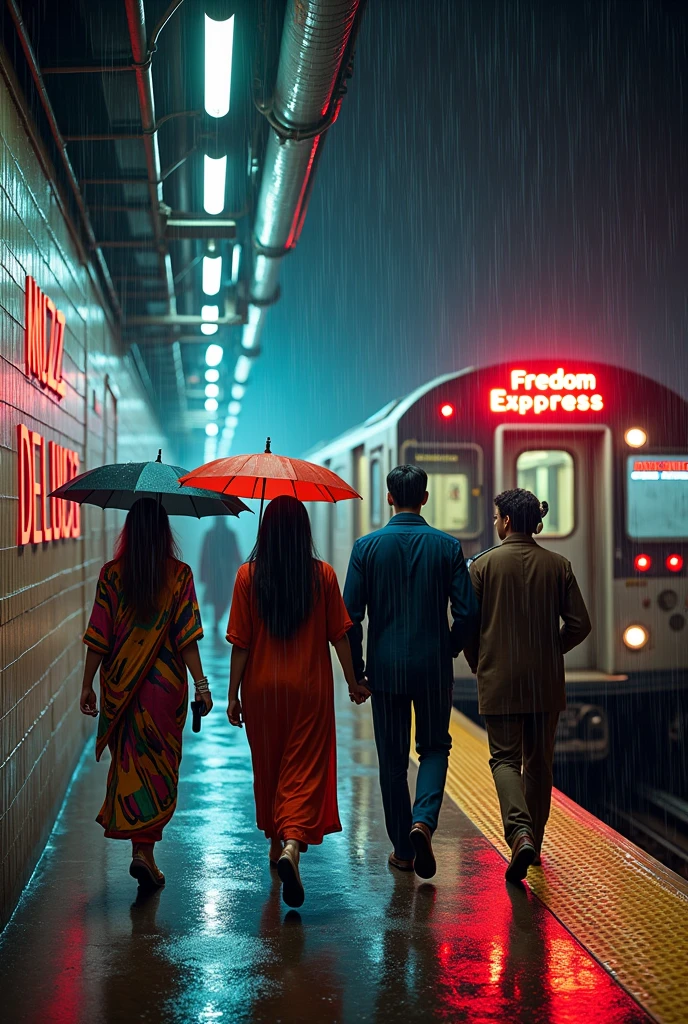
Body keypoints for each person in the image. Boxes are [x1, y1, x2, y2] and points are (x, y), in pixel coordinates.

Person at [225, 495, 369, 909]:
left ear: (266, 532)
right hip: (308, 688)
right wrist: (353, 681)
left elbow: (241, 642)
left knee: (271, 766)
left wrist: (233, 693)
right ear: (304, 531)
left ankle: (278, 843)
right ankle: (289, 844)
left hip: (262, 689)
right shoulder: (321, 575)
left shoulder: (247, 576)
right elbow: (339, 633)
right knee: (303, 769)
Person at [343, 465, 478, 878]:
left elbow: (350, 617)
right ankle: (424, 821)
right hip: (434, 668)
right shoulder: (447, 546)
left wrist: (359, 672)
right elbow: (469, 614)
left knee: (392, 760)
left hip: (385, 672)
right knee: (435, 748)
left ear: (388, 498)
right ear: (424, 498)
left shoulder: (366, 548)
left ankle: (403, 849)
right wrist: (448, 648)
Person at [80, 498, 212, 889]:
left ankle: (142, 853)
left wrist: (87, 684)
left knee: (131, 766)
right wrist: (202, 686)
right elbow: (187, 639)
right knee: (158, 770)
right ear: (163, 533)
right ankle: (145, 852)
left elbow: (99, 638)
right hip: (165, 691)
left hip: (122, 690)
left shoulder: (111, 576)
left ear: (129, 532)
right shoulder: (180, 575)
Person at [463, 488, 591, 883]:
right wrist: (552, 650)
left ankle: (519, 835)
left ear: (505, 522)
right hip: (545, 683)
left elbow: (467, 625)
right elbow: (580, 625)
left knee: (504, 760)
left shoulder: (482, 566)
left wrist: (479, 660)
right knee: (539, 763)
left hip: (498, 680)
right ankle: (534, 840)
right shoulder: (558, 565)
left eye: (497, 516)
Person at [200, 517, 242, 633]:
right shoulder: (210, 535)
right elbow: (204, 555)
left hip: (226, 573)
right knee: (216, 597)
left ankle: (217, 620)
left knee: (225, 597)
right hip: (214, 572)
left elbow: (236, 553)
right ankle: (216, 620)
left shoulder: (230, 535)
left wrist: (241, 569)